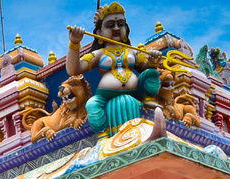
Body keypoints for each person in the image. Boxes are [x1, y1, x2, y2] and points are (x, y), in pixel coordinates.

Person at [66, 2, 161, 136]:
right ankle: (103, 135)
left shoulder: (132, 51)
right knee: (92, 105)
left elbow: (145, 67)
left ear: (126, 30)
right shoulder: (99, 54)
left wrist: (153, 62)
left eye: (120, 24)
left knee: (151, 72)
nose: (116, 28)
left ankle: (149, 100)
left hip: (134, 92)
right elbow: (73, 69)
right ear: (99, 32)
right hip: (106, 95)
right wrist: (74, 43)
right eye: (110, 25)